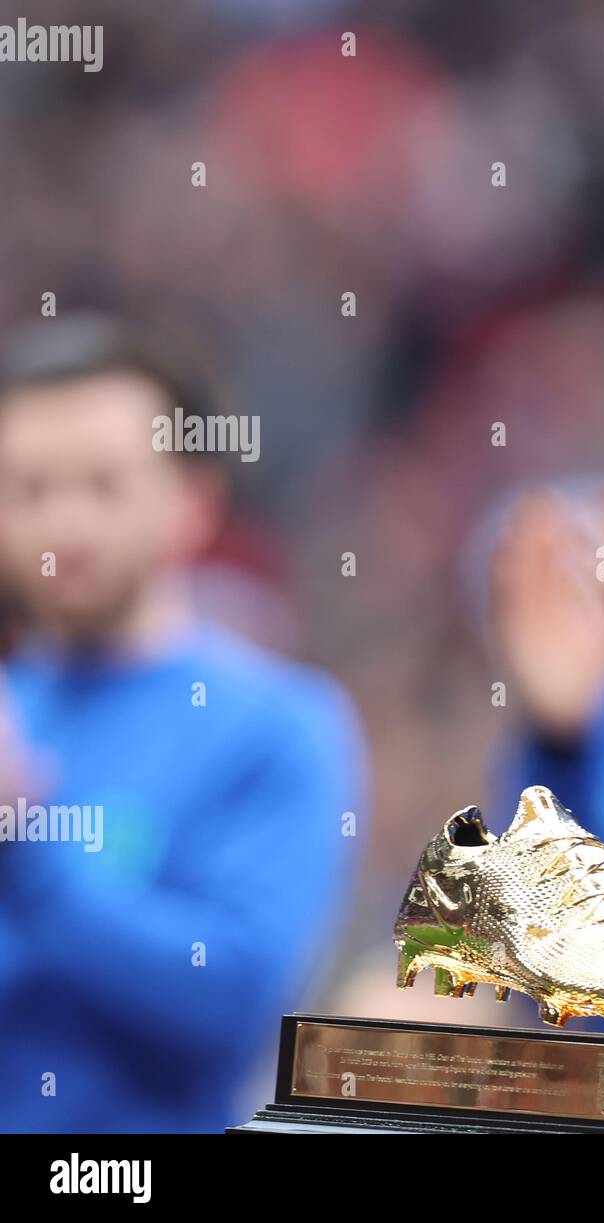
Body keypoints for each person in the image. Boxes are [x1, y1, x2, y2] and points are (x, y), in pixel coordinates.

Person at [0, 314, 367, 1132]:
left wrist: (25, 845)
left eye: (102, 485)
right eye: (27, 489)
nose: (63, 523)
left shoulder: (279, 726)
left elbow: (230, 1005)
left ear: (192, 503)